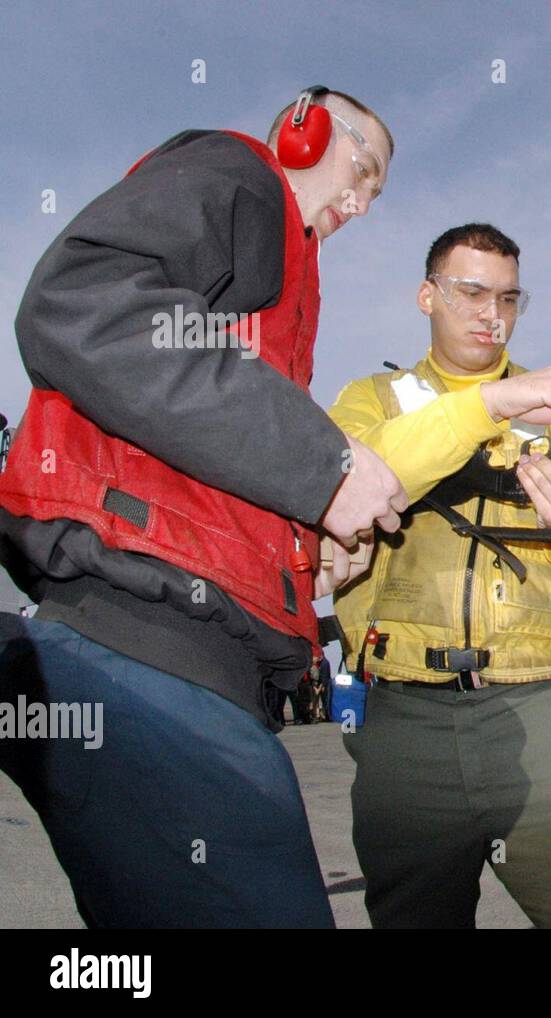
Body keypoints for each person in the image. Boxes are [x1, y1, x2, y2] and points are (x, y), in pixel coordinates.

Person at [0, 86, 405, 928]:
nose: (363, 202)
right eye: (361, 168)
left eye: (378, 192)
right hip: (148, 660)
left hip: (189, 666)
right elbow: (81, 305)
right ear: (306, 130)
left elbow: (200, 436)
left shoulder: (279, 275)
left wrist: (305, 545)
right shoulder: (239, 176)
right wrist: (324, 466)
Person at [328, 223, 551, 929]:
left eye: (510, 298)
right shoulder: (372, 400)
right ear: (427, 296)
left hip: (550, 703)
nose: (494, 315)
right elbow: (355, 480)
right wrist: (491, 404)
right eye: (471, 293)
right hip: (404, 715)